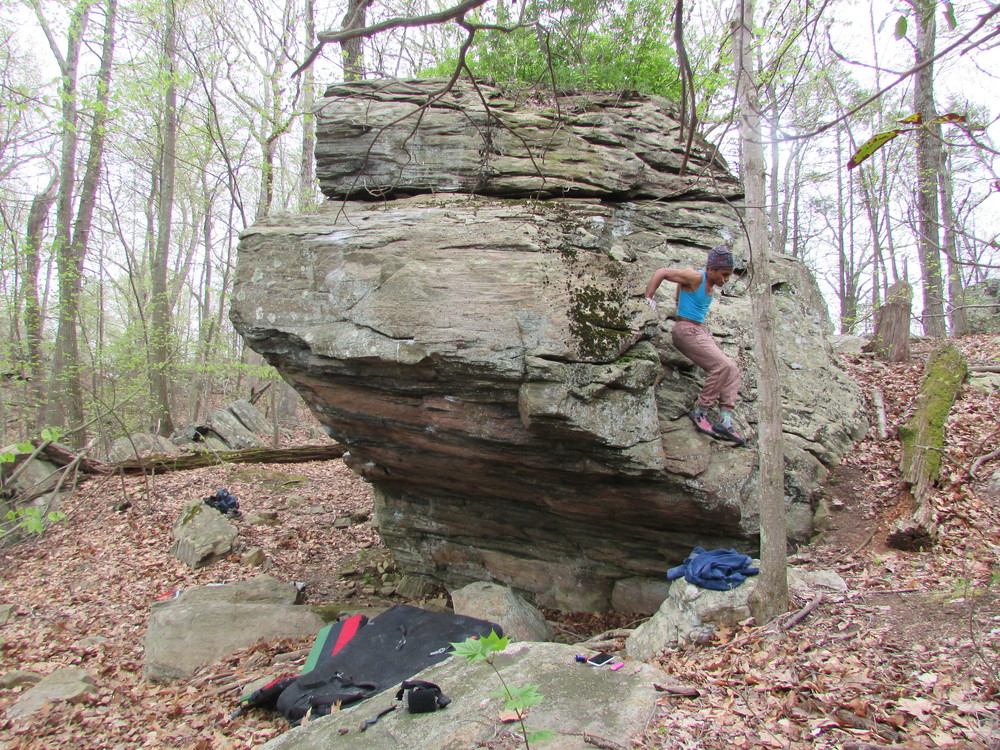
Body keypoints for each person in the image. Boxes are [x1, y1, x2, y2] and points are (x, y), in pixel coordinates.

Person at [644, 245, 745, 445]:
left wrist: (677, 297)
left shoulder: (707, 283)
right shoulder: (696, 277)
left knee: (732, 368)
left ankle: (725, 419)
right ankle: (701, 411)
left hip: (698, 330)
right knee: (721, 366)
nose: (726, 279)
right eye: (724, 274)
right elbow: (662, 272)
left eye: (729, 276)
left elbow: (682, 290)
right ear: (711, 269)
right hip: (685, 331)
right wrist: (648, 298)